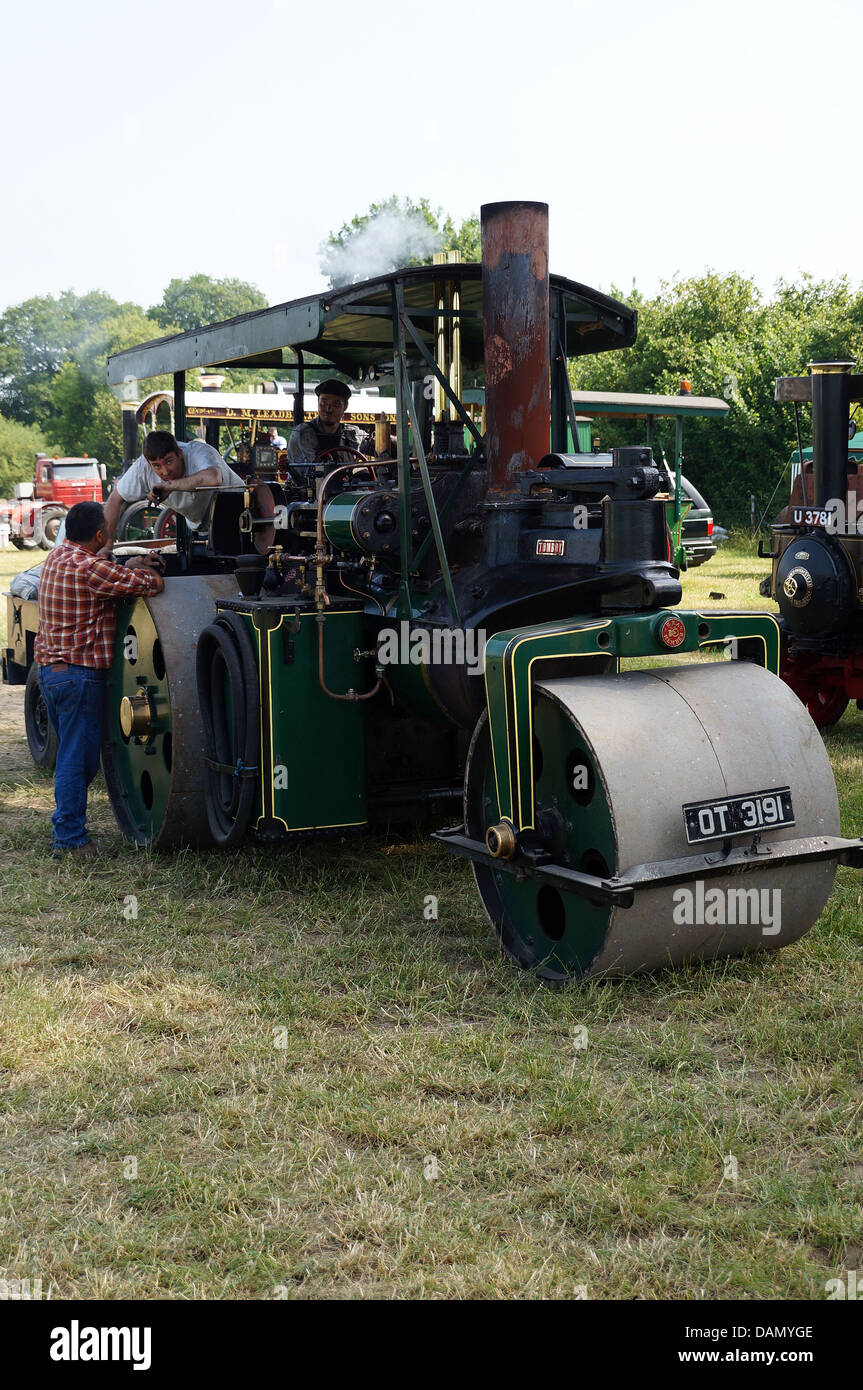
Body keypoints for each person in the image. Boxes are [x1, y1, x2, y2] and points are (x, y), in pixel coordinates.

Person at [34, 501, 166, 858]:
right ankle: (70, 840)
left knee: (73, 759)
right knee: (78, 762)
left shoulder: (60, 557)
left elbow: (103, 570)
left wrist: (121, 562)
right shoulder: (89, 569)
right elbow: (149, 584)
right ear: (99, 534)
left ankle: (67, 830)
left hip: (53, 673)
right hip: (78, 675)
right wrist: (144, 569)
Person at [100, 430, 245, 550]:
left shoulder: (199, 452)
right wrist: (107, 547)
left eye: (169, 461)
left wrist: (168, 486)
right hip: (202, 531)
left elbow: (213, 479)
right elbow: (115, 498)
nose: (165, 471)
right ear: (148, 463)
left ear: (179, 453)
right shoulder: (141, 468)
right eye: (157, 466)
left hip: (241, 519)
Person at [286, 379, 368, 466]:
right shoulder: (303, 433)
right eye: (323, 403)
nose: (328, 409)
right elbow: (316, 471)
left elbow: (376, 447)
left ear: (345, 406)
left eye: (336, 404)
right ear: (318, 403)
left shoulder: (353, 434)